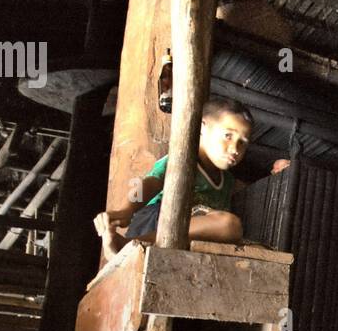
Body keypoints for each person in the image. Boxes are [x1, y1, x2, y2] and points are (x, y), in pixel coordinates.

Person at [94, 98, 288, 259]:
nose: (234, 148)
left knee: (257, 248)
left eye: (243, 143)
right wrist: (128, 209)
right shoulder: (184, 161)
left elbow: (249, 190)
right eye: (228, 135)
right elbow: (150, 182)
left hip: (186, 242)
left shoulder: (227, 182)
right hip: (156, 220)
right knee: (229, 225)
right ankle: (131, 246)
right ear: (203, 127)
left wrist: (275, 177)